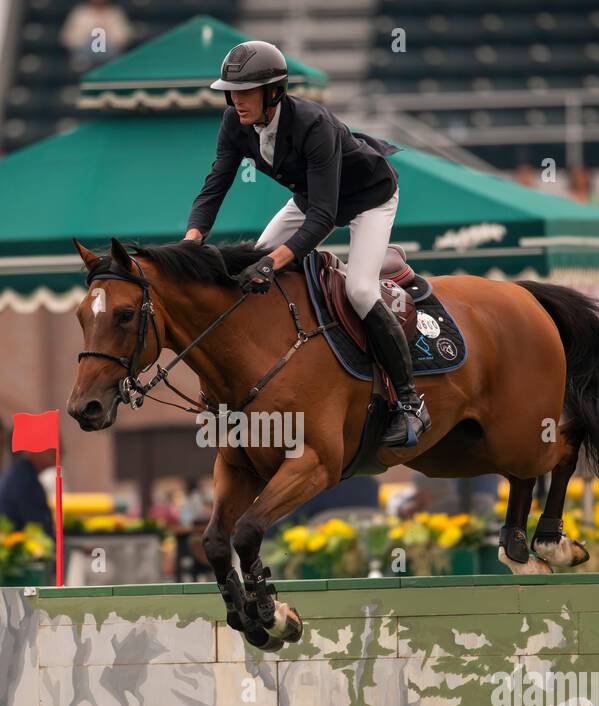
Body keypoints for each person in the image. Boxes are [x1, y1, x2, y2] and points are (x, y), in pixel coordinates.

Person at [184, 41, 430, 448]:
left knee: (361, 289)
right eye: (231, 91)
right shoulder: (234, 122)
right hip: (312, 199)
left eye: (245, 92)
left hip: (370, 198)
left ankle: (409, 402)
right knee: (251, 270)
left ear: (274, 92)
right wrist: (192, 241)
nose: (235, 100)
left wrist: (276, 261)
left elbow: (323, 219)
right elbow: (215, 186)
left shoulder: (314, 125)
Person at [0, 448, 54, 536]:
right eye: (53, 447)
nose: (61, 451)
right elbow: (40, 527)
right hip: (10, 544)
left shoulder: (20, 473)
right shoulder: (24, 480)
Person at [61, 0, 133, 73]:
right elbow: (68, 38)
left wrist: (104, 34)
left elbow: (124, 37)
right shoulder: (79, 13)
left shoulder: (115, 13)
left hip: (110, 54)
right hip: (84, 55)